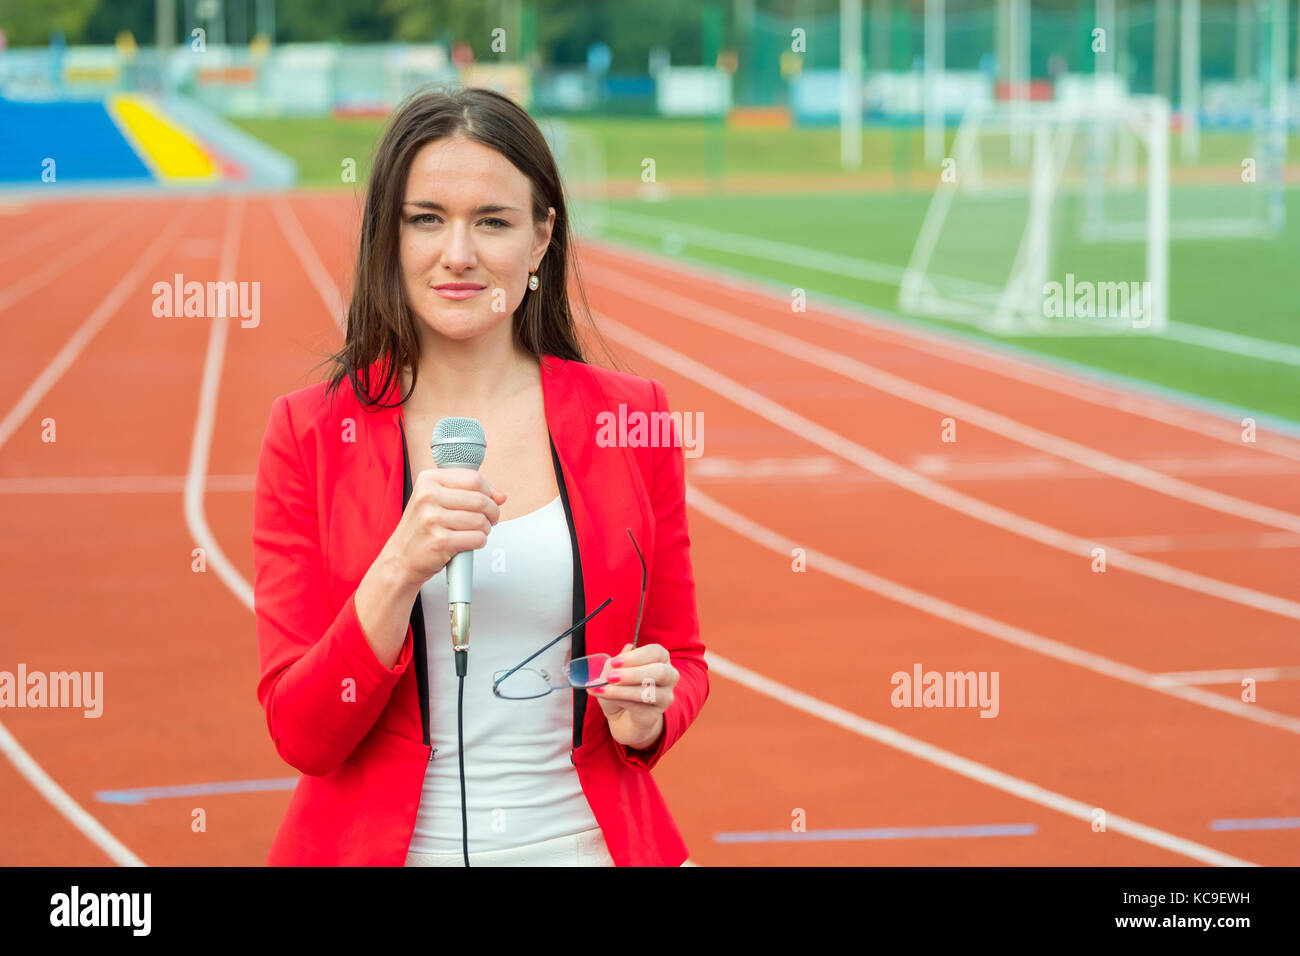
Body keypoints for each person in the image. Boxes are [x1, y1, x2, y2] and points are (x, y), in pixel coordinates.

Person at [251, 86, 709, 866]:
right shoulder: (308, 433)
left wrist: (650, 713)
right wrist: (398, 567)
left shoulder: (634, 417)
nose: (456, 253)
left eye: (491, 221)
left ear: (540, 239)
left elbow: (682, 657)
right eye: (426, 218)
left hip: (586, 845)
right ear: (389, 239)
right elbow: (302, 733)